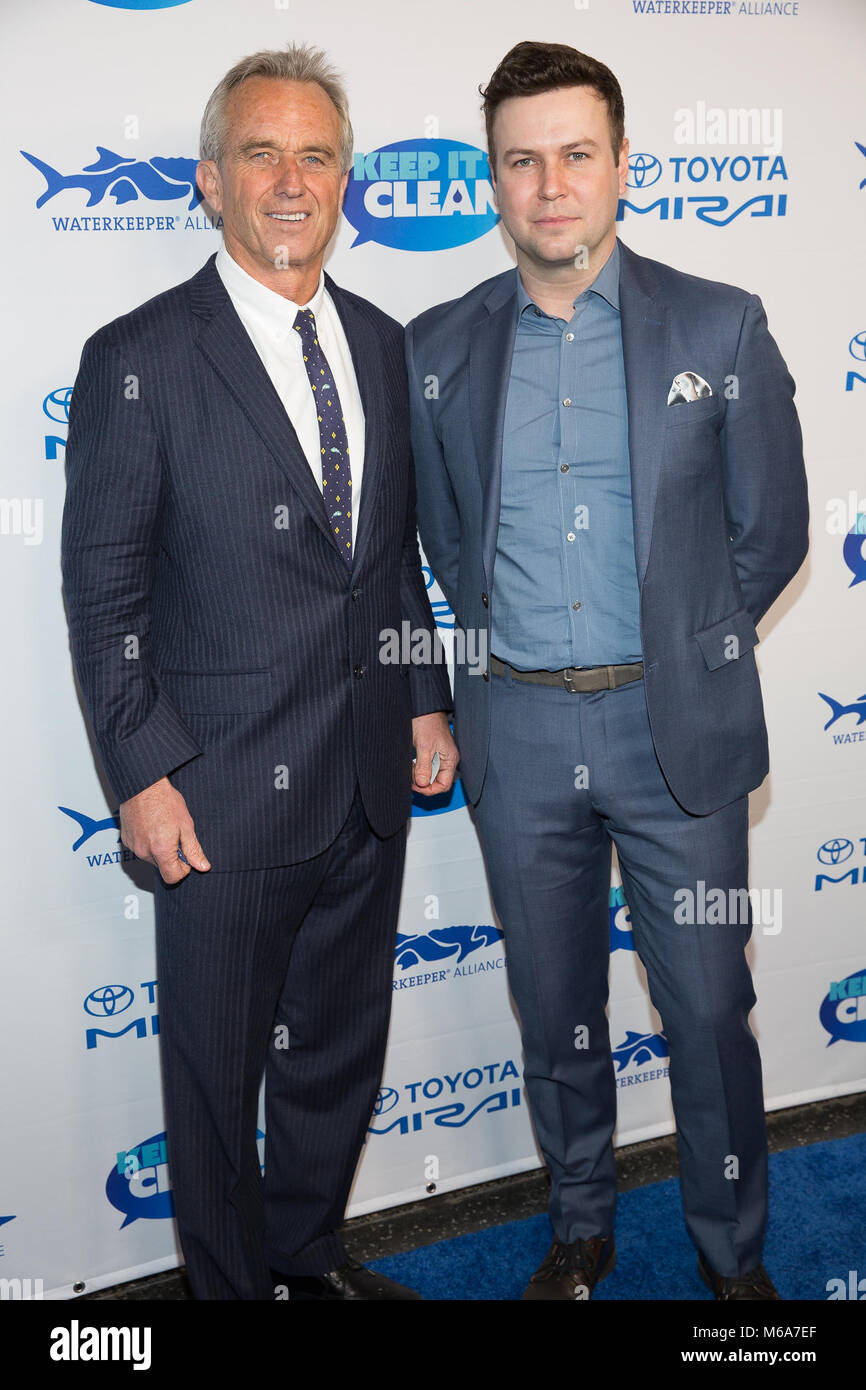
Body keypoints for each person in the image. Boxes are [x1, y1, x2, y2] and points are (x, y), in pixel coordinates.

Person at [405, 40, 808, 1301]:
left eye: (576, 154)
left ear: (621, 165)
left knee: (702, 1012)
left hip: (670, 734)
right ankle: (579, 1230)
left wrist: (676, 652)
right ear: (492, 181)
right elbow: (433, 544)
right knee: (556, 1010)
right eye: (521, 161)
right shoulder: (436, 349)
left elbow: (772, 529)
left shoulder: (718, 322)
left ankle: (731, 1262)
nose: (551, 184)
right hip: (516, 737)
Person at [61, 42, 457, 1301]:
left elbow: (382, 553)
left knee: (336, 1049)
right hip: (217, 800)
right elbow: (105, 590)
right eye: (260, 152)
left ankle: (307, 1250)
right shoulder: (141, 355)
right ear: (209, 179)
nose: (291, 180)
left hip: (361, 780)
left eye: (317, 155)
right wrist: (140, 773)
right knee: (214, 1070)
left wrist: (426, 689)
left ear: (344, 180)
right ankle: (228, 1292)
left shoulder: (385, 347)